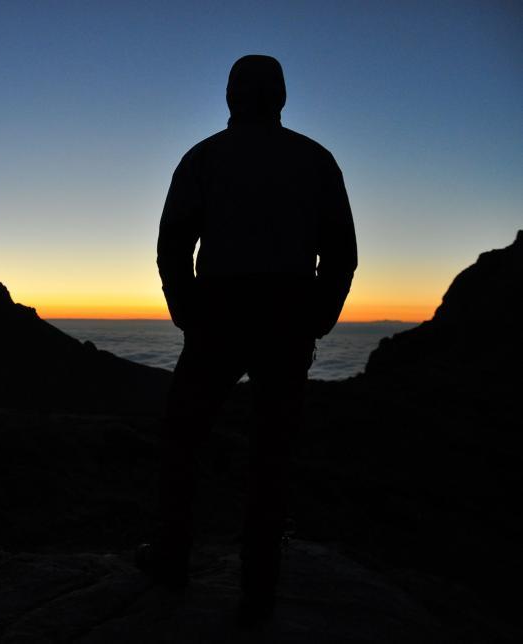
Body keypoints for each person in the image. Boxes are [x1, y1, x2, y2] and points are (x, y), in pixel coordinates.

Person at [136, 54, 357, 627]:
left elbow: (172, 243)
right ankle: (259, 588)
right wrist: (319, 316)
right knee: (272, 451)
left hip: (220, 312)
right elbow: (341, 251)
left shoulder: (205, 156)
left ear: (231, 95)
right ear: (281, 97)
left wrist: (186, 310)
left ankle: (171, 559)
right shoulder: (314, 159)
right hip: (286, 314)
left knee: (184, 437)